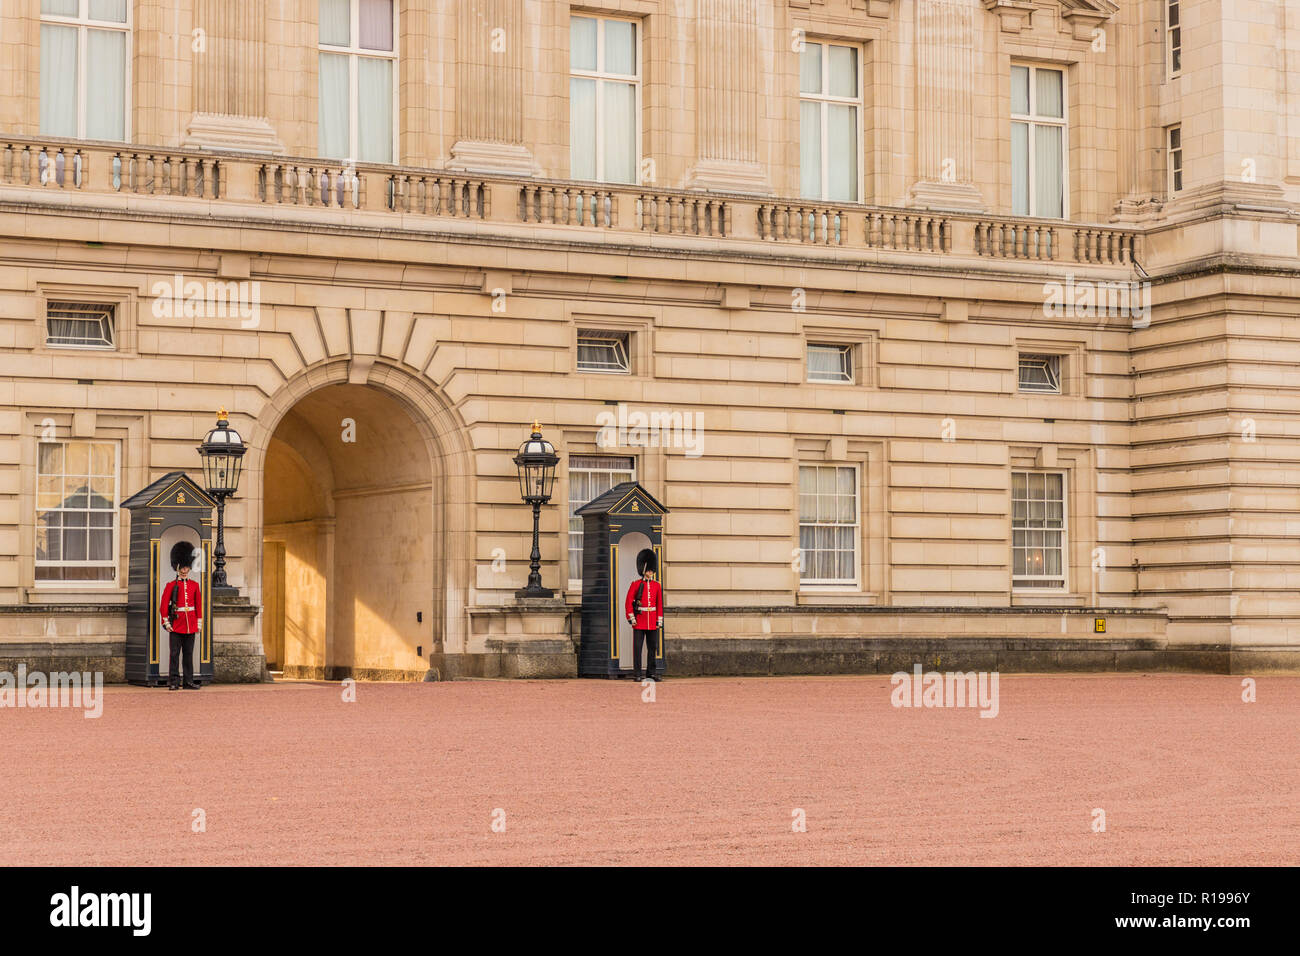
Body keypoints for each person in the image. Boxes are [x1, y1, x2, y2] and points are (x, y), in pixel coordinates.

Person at [160, 541, 203, 691]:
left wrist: (198, 623)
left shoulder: (194, 585)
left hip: (190, 623)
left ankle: (188, 681)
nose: (185, 570)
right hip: (177, 624)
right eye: (182, 567)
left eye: (186, 567)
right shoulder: (171, 585)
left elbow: (198, 606)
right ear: (177, 567)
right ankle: (173, 681)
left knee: (188, 654)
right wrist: (166, 622)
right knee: (174, 654)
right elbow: (163, 606)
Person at [624, 548, 664, 682]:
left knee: (652, 648)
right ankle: (637, 673)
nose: (650, 572)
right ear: (643, 570)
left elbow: (659, 604)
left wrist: (659, 621)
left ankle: (651, 673)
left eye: (652, 570)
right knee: (638, 649)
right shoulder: (636, 585)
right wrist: (632, 618)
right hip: (639, 621)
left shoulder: (656, 586)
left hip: (652, 621)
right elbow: (628, 602)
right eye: (648, 570)